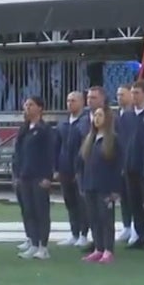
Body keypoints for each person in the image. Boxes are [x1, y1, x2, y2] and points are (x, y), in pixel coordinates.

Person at [79, 107, 123, 264]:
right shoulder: (90, 138)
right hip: (90, 185)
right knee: (94, 218)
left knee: (106, 219)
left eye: (100, 115)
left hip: (105, 186)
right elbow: (84, 164)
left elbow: (118, 166)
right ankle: (98, 248)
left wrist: (116, 190)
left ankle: (108, 250)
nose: (96, 118)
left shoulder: (113, 140)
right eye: (95, 115)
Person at [14, 96, 55, 260]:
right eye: (26, 105)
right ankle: (33, 242)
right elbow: (18, 154)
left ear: (40, 108)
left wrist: (47, 176)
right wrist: (17, 173)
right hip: (24, 176)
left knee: (41, 211)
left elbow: (50, 154)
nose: (27, 108)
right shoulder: (24, 129)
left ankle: (43, 246)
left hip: (39, 176)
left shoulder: (45, 130)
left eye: (31, 105)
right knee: (28, 210)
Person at [124, 81, 144, 249]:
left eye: (137, 93)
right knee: (134, 203)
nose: (134, 96)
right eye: (132, 93)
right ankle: (140, 235)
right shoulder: (127, 116)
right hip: (129, 166)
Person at [55, 91, 90, 249]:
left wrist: (81, 167)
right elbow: (57, 146)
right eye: (68, 100)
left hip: (79, 169)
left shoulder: (85, 122)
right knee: (70, 202)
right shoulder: (63, 123)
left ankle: (83, 233)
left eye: (73, 100)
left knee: (81, 202)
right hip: (64, 168)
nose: (70, 103)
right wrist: (56, 168)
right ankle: (74, 232)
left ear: (82, 102)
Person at [114, 85, 136, 244]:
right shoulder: (116, 116)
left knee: (133, 195)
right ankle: (126, 225)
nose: (119, 97)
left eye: (123, 94)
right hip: (118, 160)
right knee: (123, 196)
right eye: (118, 95)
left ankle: (135, 227)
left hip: (131, 161)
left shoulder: (133, 116)